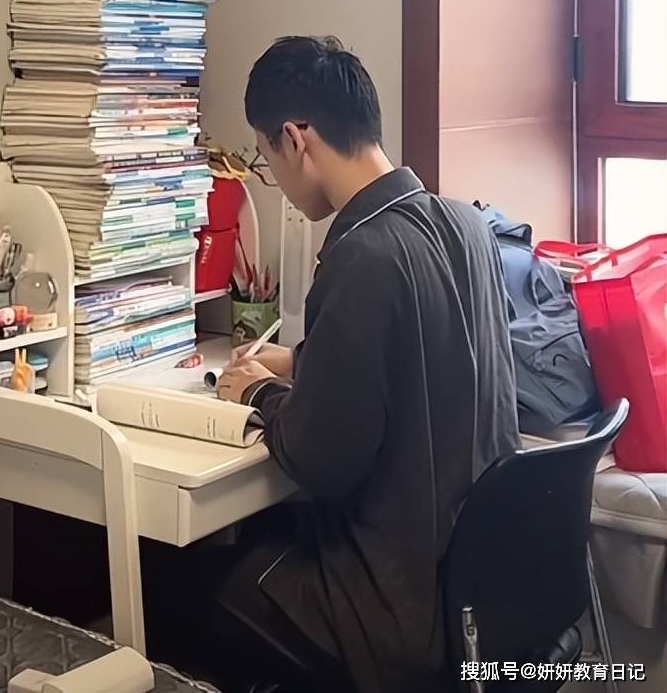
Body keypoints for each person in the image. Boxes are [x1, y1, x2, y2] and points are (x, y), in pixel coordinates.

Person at [214, 36, 520, 693]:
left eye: (267, 157)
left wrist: (258, 393)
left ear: (295, 138)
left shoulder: (361, 255)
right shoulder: (463, 224)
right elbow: (421, 360)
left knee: (200, 583)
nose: (277, 178)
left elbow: (323, 461)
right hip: (478, 584)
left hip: (395, 608)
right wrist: (302, 360)